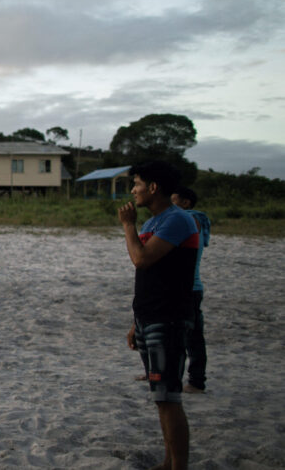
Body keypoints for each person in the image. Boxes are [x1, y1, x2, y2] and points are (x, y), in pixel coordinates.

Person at [119, 160, 199, 470]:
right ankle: (169, 462)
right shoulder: (154, 223)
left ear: (154, 188)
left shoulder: (176, 221)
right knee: (161, 396)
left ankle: (178, 465)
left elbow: (141, 260)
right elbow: (151, 277)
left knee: (169, 398)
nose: (133, 190)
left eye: (137, 184)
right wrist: (136, 322)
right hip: (150, 317)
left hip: (169, 318)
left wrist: (128, 225)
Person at [172, 186, 211, 394]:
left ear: (185, 202)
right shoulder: (190, 220)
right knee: (175, 334)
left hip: (189, 287)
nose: (170, 203)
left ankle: (197, 381)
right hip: (186, 286)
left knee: (193, 336)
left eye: (174, 198)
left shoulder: (190, 220)